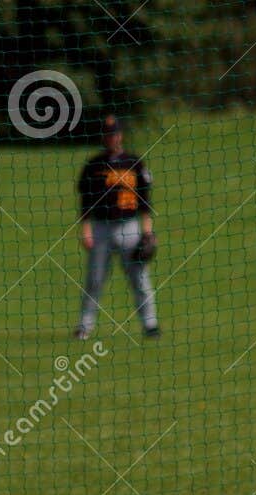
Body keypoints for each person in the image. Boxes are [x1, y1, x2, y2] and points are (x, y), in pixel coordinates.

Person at [73, 113, 159, 341]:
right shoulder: (93, 166)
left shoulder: (135, 162)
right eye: (108, 134)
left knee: (139, 278)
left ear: (120, 135)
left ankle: (150, 325)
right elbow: (86, 202)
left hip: (129, 226)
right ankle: (84, 326)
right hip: (100, 228)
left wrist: (148, 231)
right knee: (95, 279)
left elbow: (145, 201)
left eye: (115, 133)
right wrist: (86, 230)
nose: (111, 137)